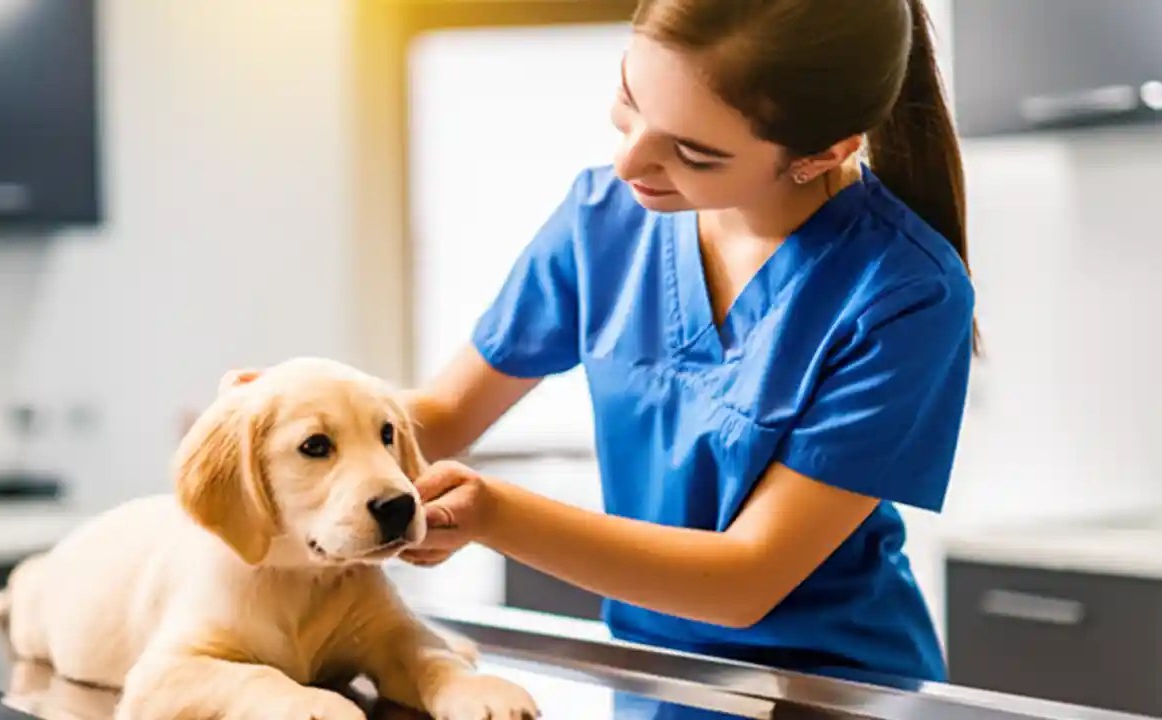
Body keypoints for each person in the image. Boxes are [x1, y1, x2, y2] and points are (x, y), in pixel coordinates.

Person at [400, 0, 976, 683]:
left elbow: (744, 579)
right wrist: (277, 424)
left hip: (831, 689)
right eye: (628, 100)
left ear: (823, 153)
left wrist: (491, 513)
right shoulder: (601, 221)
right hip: (654, 677)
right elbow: (436, 418)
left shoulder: (902, 293)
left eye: (693, 153)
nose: (627, 160)